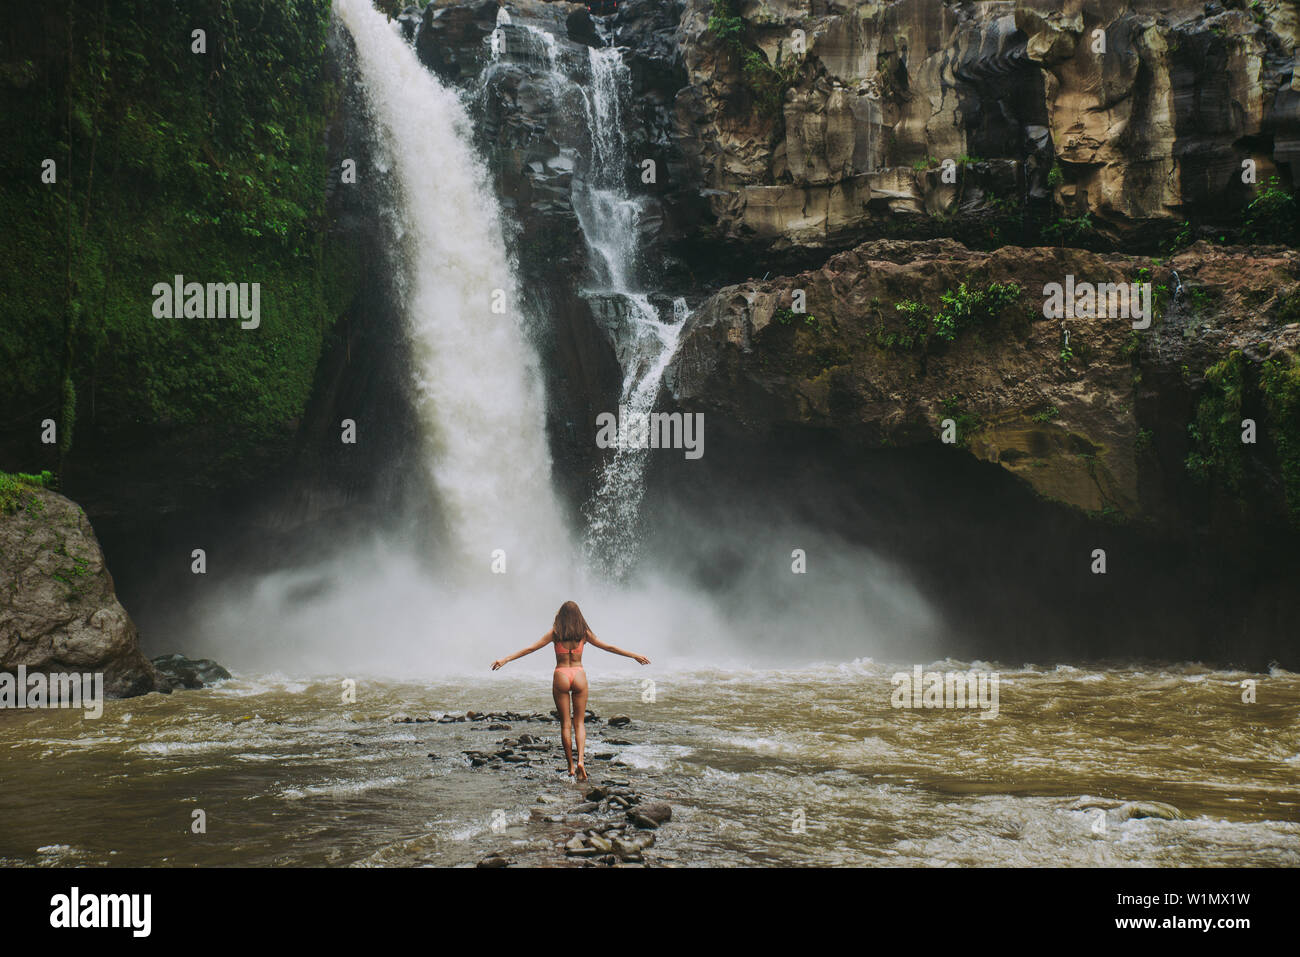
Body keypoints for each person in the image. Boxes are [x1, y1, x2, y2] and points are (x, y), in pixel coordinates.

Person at [491, 600, 649, 781]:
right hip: (579, 675)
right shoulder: (583, 634)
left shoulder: (555, 633)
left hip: (561, 675)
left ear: (561, 616)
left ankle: (571, 767)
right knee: (579, 723)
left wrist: (506, 659)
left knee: (565, 724)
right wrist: (634, 655)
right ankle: (581, 760)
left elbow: (531, 648)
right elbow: (609, 647)